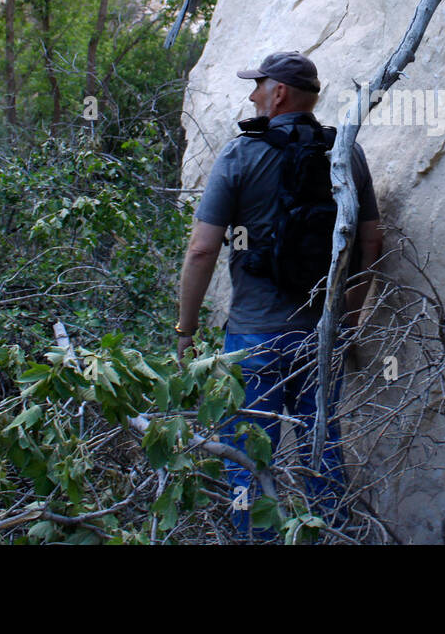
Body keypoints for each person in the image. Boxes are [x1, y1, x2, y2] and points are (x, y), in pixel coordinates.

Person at [177, 51, 382, 536]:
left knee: (248, 464)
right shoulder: (345, 152)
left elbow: (202, 251)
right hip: (318, 338)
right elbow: (371, 240)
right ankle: (334, 534)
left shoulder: (240, 153)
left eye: (258, 85)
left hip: (253, 339)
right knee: (322, 452)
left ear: (279, 92)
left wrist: (185, 329)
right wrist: (346, 322)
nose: (252, 95)